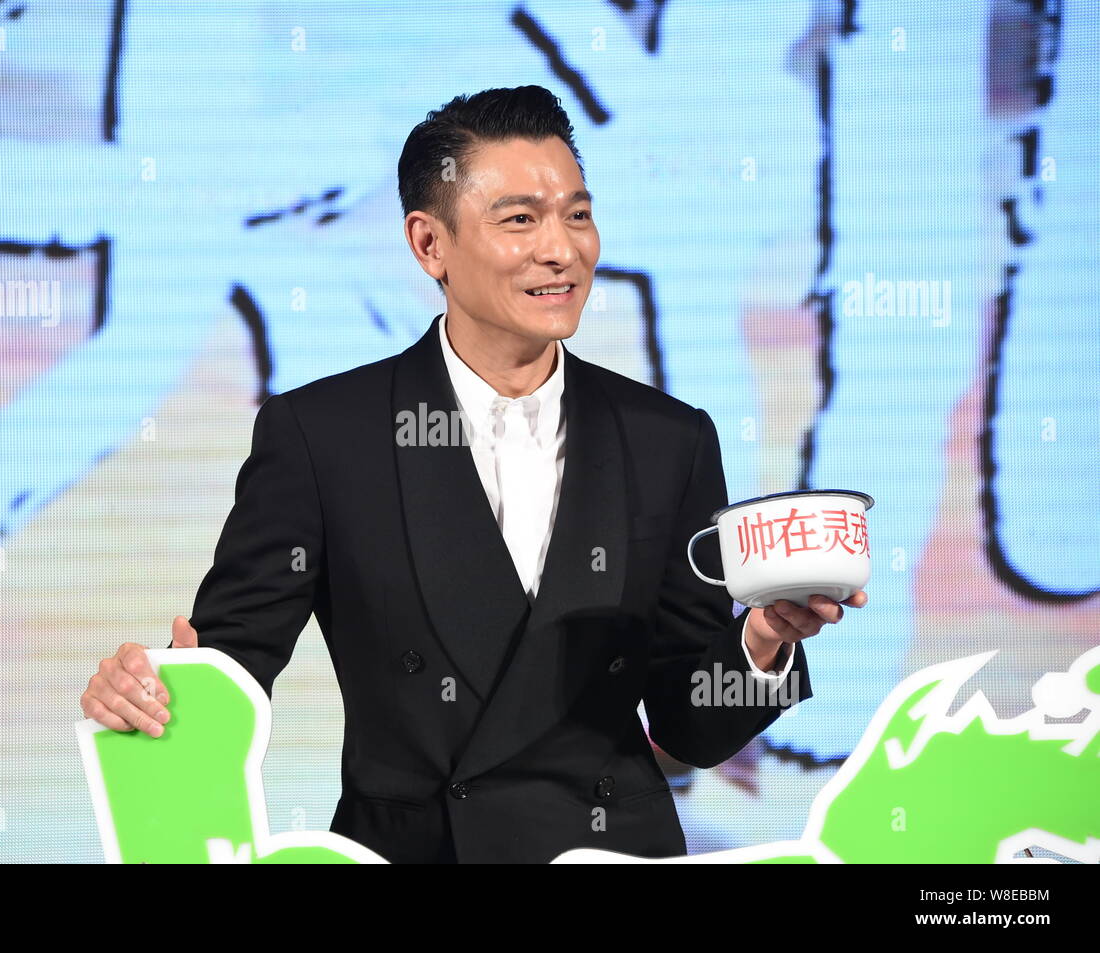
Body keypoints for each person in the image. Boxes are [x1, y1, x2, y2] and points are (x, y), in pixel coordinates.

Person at [80, 85, 867, 863]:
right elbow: (227, 669)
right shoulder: (323, 435)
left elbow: (690, 726)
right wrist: (148, 695)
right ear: (430, 245)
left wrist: (762, 641)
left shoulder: (668, 440)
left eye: (578, 214)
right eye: (520, 218)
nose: (562, 248)